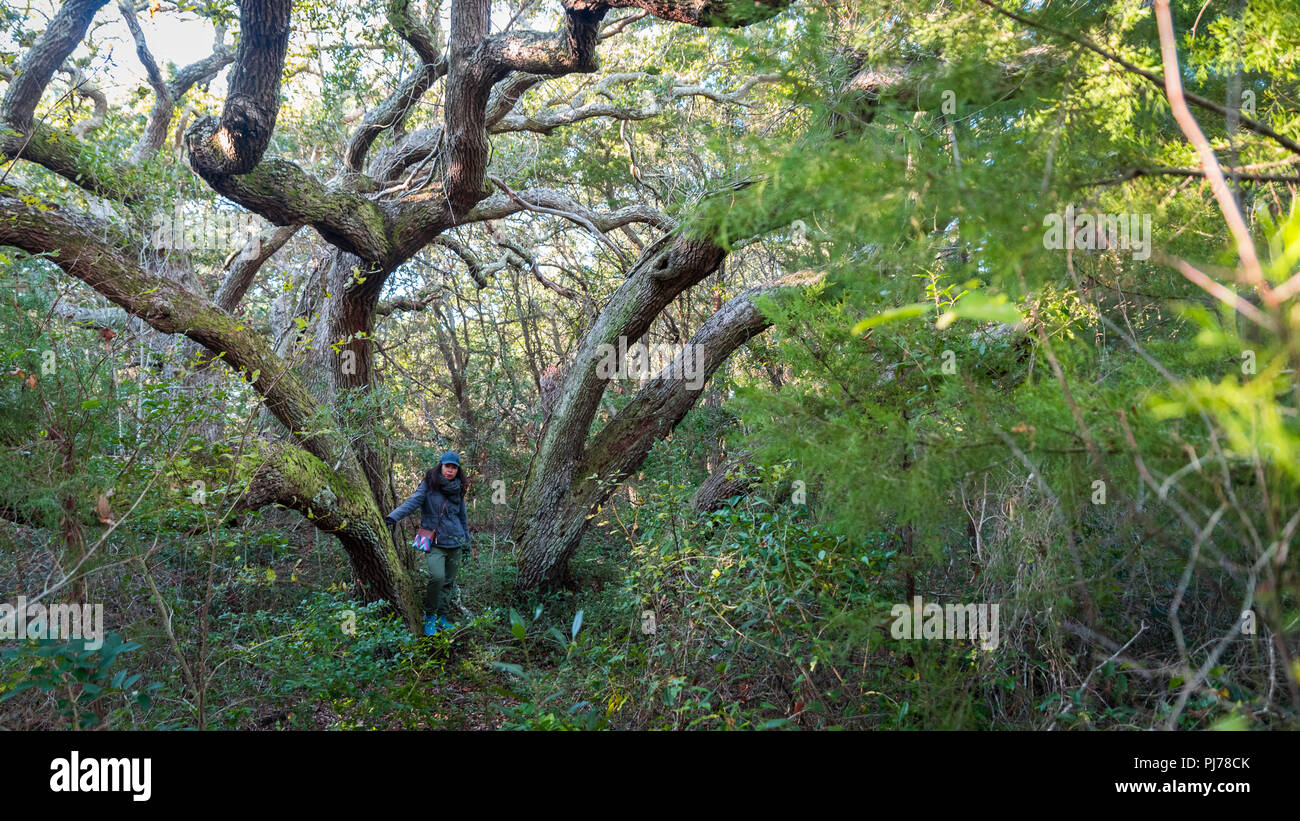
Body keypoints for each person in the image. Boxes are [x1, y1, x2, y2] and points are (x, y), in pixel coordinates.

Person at [385, 451, 471, 635]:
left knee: (448, 582)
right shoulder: (429, 484)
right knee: (437, 578)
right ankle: (430, 616)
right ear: (441, 466)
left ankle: (442, 616)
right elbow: (413, 502)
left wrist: (466, 544)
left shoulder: (458, 488)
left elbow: (463, 518)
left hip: (455, 542)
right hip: (436, 543)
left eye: (454, 467)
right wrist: (392, 517)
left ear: (458, 470)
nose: (450, 470)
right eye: (447, 466)